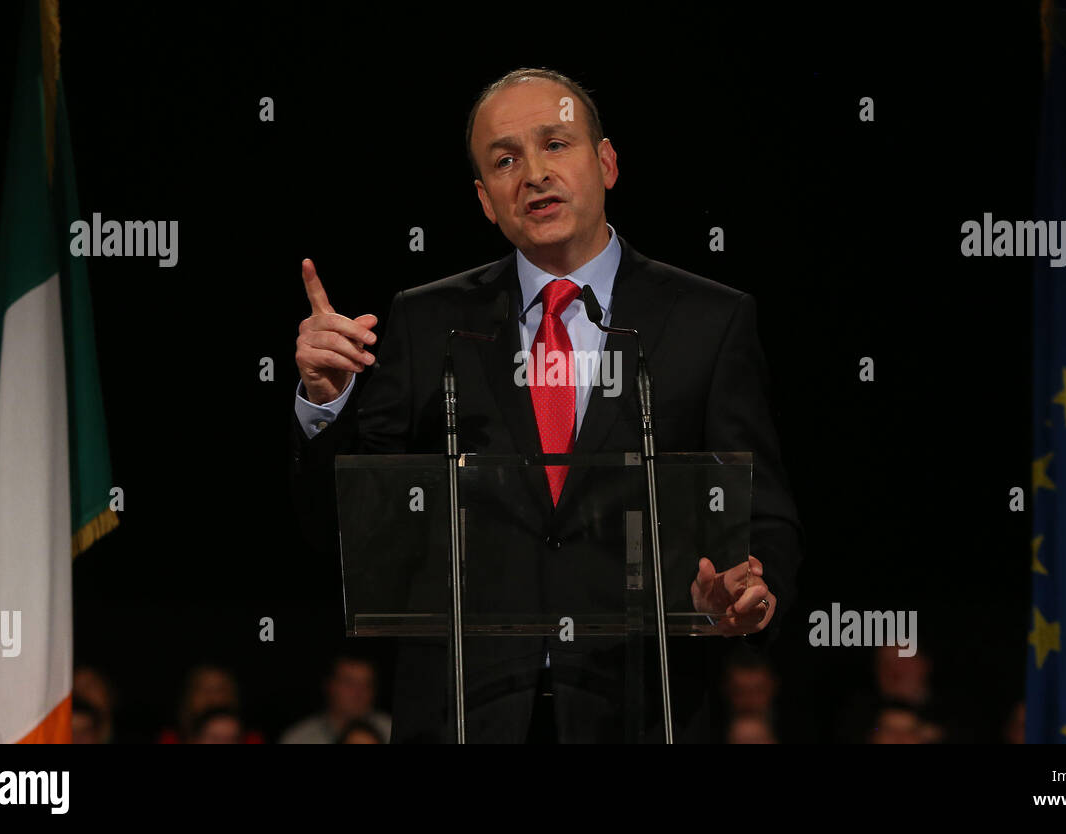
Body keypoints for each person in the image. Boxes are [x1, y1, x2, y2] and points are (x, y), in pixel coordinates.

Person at [290, 68, 804, 743]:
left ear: (606, 162)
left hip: (640, 712)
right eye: (505, 159)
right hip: (465, 717)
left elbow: (763, 517)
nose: (532, 173)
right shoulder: (426, 322)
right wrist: (328, 404)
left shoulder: (710, 321)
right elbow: (355, 535)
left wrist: (751, 598)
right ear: (484, 198)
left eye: (555, 144)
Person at [280, 656, 392, 744]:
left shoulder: (390, 731)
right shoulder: (299, 739)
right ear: (329, 686)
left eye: (367, 685)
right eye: (349, 683)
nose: (359, 693)